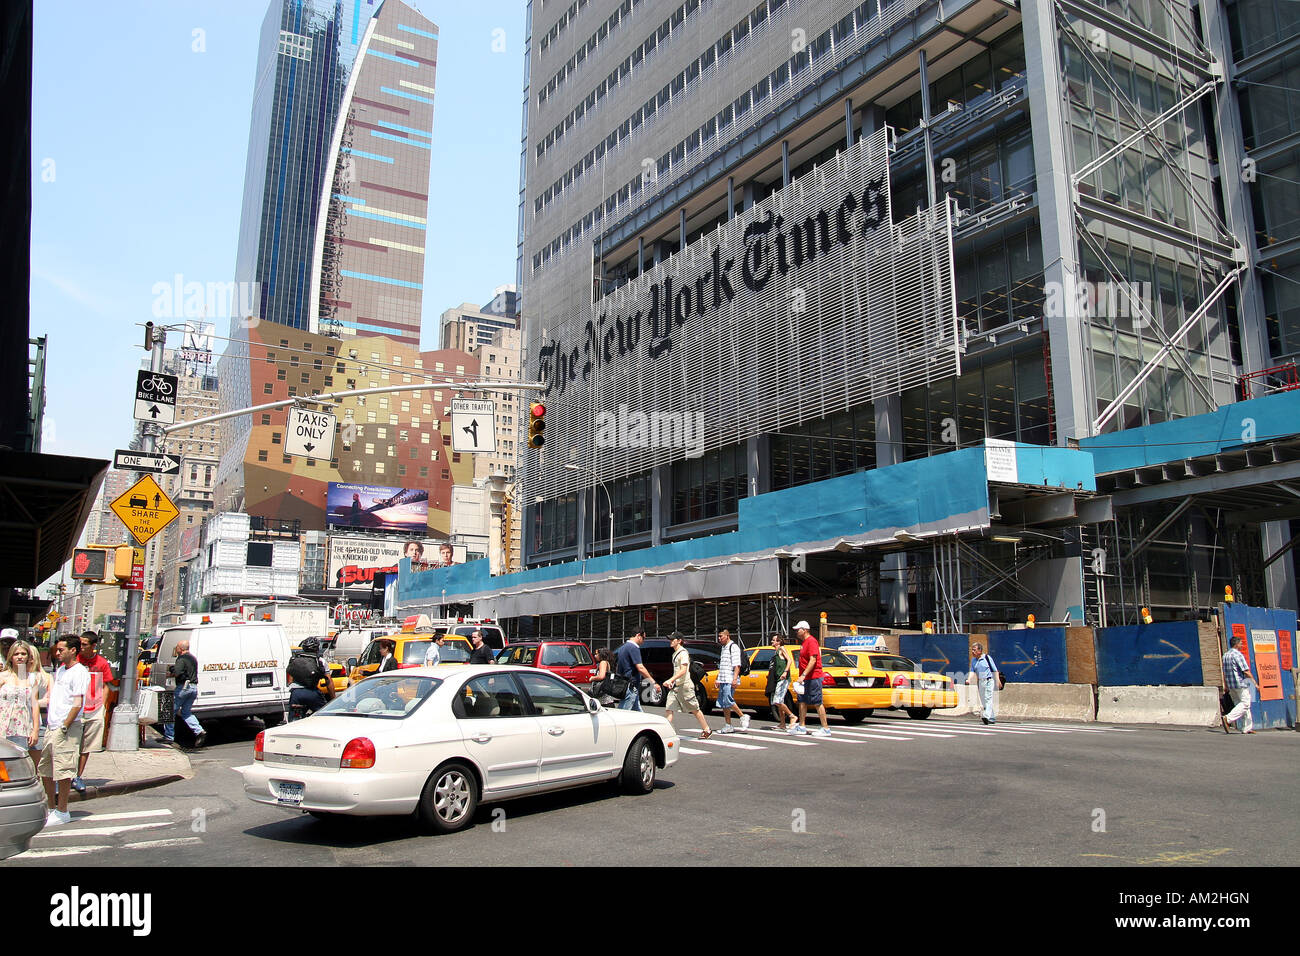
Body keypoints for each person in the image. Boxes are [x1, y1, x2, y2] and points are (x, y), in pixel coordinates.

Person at [39, 637, 89, 827]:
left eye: (61, 650)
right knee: (46, 769)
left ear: (73, 650)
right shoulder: (60, 670)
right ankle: (52, 808)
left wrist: (65, 725)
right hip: (52, 726)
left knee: (63, 770)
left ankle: (62, 810)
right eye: (57, 650)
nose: (57, 653)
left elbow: (77, 704)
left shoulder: (80, 672)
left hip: (67, 727)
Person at [73, 632, 117, 793]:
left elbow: (106, 685)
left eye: (85, 644)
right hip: (76, 708)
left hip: (94, 709)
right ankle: (67, 775)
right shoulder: (75, 660)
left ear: (93, 646)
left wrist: (102, 706)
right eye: (80, 644)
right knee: (72, 744)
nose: (81, 647)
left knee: (87, 745)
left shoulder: (101, 663)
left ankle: (77, 776)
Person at [663, 632, 711, 737]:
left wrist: (671, 680)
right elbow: (677, 671)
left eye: (673, 639)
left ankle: (707, 730)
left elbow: (683, 670)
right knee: (669, 708)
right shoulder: (675, 653)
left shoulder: (683, 653)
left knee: (694, 709)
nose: (670, 641)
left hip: (685, 686)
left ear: (679, 641)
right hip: (676, 687)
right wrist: (673, 682)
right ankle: (668, 733)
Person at [0, 640, 43, 755]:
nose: (20, 657)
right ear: (11, 657)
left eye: (23, 654)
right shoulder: (3, 676)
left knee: (18, 763)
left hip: (22, 729)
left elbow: (35, 706)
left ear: (28, 657)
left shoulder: (32, 679)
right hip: (2, 727)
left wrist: (35, 730)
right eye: (16, 654)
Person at [163, 639, 206, 747]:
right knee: (186, 712)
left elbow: (178, 673)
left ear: (180, 649)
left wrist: (171, 672)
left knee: (170, 712)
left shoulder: (181, 659)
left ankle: (169, 737)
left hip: (184, 688)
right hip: (193, 688)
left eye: (177, 647)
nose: (176, 649)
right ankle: (199, 731)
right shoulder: (193, 658)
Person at [792, 621, 831, 736]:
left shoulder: (811, 641)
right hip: (806, 678)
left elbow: (813, 660)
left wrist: (803, 675)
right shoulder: (804, 643)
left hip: (813, 677)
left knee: (817, 702)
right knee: (802, 701)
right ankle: (802, 726)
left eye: (798, 629)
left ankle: (825, 728)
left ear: (805, 630)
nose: (796, 631)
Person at [287, 637, 335, 719]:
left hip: (296, 694)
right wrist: (333, 699)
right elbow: (328, 682)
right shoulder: (320, 661)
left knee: (294, 720)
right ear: (317, 649)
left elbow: (290, 680)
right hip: (312, 693)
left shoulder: (295, 659)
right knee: (325, 716)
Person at [614, 629, 658, 711]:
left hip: (625, 684)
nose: (643, 641)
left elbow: (618, 667)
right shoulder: (633, 648)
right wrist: (653, 682)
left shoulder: (622, 647)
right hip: (631, 684)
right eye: (643, 638)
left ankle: (644, 723)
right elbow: (640, 667)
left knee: (637, 711)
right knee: (623, 712)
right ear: (638, 635)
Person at [715, 628, 749, 733]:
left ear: (727, 636)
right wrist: (718, 679)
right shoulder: (723, 648)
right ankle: (728, 725)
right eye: (719, 636)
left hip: (730, 678)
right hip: (723, 678)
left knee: (728, 699)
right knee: (724, 703)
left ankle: (743, 716)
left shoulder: (733, 647)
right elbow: (723, 665)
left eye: (721, 636)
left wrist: (735, 679)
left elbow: (737, 665)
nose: (719, 638)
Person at [1221, 635, 1256, 734]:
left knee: (1240, 705)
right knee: (1245, 703)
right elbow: (1246, 671)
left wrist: (1226, 685)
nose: (1242, 645)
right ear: (1236, 644)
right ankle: (1228, 719)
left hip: (1231, 685)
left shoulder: (1225, 655)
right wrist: (1254, 682)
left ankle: (1247, 728)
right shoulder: (1238, 655)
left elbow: (1224, 672)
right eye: (1241, 643)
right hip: (1240, 683)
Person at [767, 634, 797, 730]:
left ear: (778, 642)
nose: (772, 642)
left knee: (777, 700)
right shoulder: (776, 652)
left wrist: (785, 672)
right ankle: (782, 723)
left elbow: (789, 661)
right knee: (780, 701)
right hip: (778, 678)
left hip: (783, 679)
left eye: (773, 640)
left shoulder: (782, 649)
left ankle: (792, 716)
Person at [966, 642, 999, 725]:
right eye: (972, 650)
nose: (972, 652)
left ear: (980, 651)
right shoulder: (973, 660)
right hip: (980, 682)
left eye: (974, 650)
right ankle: (991, 718)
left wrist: (998, 681)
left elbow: (995, 670)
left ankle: (986, 716)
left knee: (988, 698)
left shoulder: (987, 658)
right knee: (984, 701)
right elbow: (972, 671)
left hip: (989, 680)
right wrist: (968, 679)